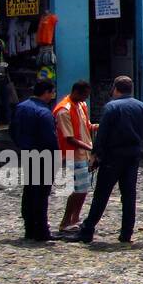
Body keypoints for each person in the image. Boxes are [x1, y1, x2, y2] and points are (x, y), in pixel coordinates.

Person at [75, 76, 143, 244]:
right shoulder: (141, 106)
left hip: (113, 156)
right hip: (133, 155)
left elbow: (103, 133)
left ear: (115, 88)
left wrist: (95, 154)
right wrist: (138, 137)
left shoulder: (112, 107)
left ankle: (88, 230)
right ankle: (126, 233)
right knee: (129, 195)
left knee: (102, 194)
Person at [10, 80, 59, 242]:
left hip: (27, 153)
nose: (53, 96)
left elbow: (13, 130)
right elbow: (50, 138)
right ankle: (41, 229)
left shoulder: (21, 107)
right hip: (43, 156)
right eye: (52, 92)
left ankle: (29, 227)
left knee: (30, 190)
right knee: (41, 194)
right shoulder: (44, 112)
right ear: (46, 92)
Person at [53, 80, 96, 233]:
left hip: (85, 154)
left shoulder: (82, 106)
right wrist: (92, 148)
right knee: (78, 189)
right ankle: (65, 221)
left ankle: (75, 218)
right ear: (77, 92)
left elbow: (87, 126)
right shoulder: (64, 110)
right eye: (85, 95)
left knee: (83, 190)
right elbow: (69, 138)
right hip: (74, 155)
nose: (86, 98)